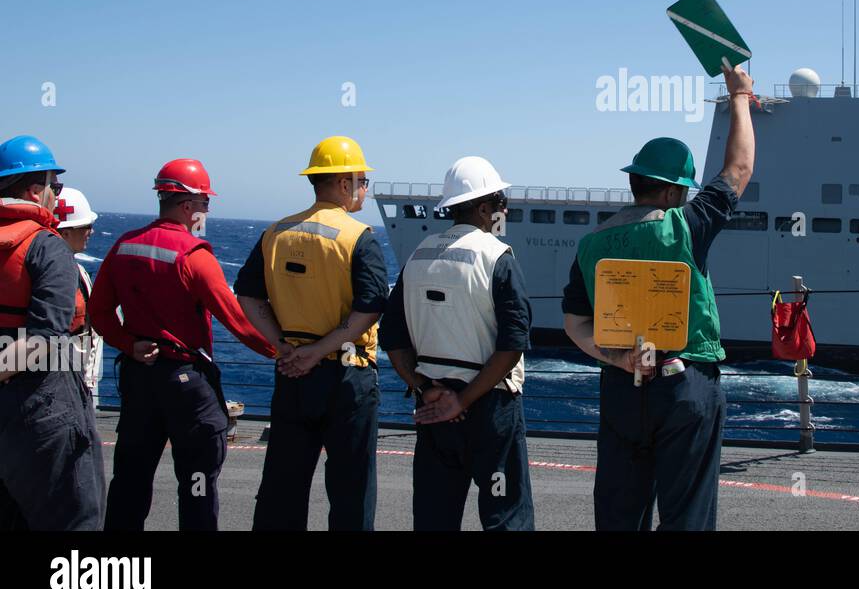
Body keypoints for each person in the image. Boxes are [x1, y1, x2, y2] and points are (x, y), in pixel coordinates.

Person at [562, 62, 755, 530]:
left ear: (635, 181)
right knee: (686, 513)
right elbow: (739, 169)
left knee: (619, 514)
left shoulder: (593, 243)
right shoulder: (685, 225)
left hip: (623, 388)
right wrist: (740, 98)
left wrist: (619, 359)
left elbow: (574, 323)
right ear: (673, 190)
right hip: (684, 385)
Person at [89, 158, 275, 531]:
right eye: (205, 203)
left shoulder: (124, 245)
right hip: (185, 385)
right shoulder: (194, 256)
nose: (207, 210)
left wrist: (129, 344)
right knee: (197, 484)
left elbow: (100, 312)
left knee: (130, 481)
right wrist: (282, 352)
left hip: (139, 379)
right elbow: (236, 320)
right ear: (188, 205)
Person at [234, 136, 389, 531]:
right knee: (351, 489)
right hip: (346, 375)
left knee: (282, 486)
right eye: (362, 181)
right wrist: (319, 351)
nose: (364, 190)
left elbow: (248, 296)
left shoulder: (275, 232)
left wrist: (284, 346)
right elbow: (371, 306)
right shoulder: (359, 237)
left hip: (292, 375)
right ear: (343, 183)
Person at [380, 156, 534, 531]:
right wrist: (462, 401)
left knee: (434, 516)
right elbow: (513, 344)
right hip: (490, 409)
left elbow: (393, 340)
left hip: (433, 410)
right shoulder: (497, 256)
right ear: (484, 208)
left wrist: (425, 389)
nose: (504, 210)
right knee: (505, 515)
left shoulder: (416, 256)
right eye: (500, 203)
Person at [0, 135, 105, 530]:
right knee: (76, 517)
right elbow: (45, 337)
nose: (54, 196)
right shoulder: (47, 246)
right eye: (53, 187)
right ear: (35, 189)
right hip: (42, 402)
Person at [55, 187, 104, 408]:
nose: (91, 232)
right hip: (65, 385)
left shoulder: (79, 272)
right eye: (86, 226)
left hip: (79, 380)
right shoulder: (61, 275)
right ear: (65, 232)